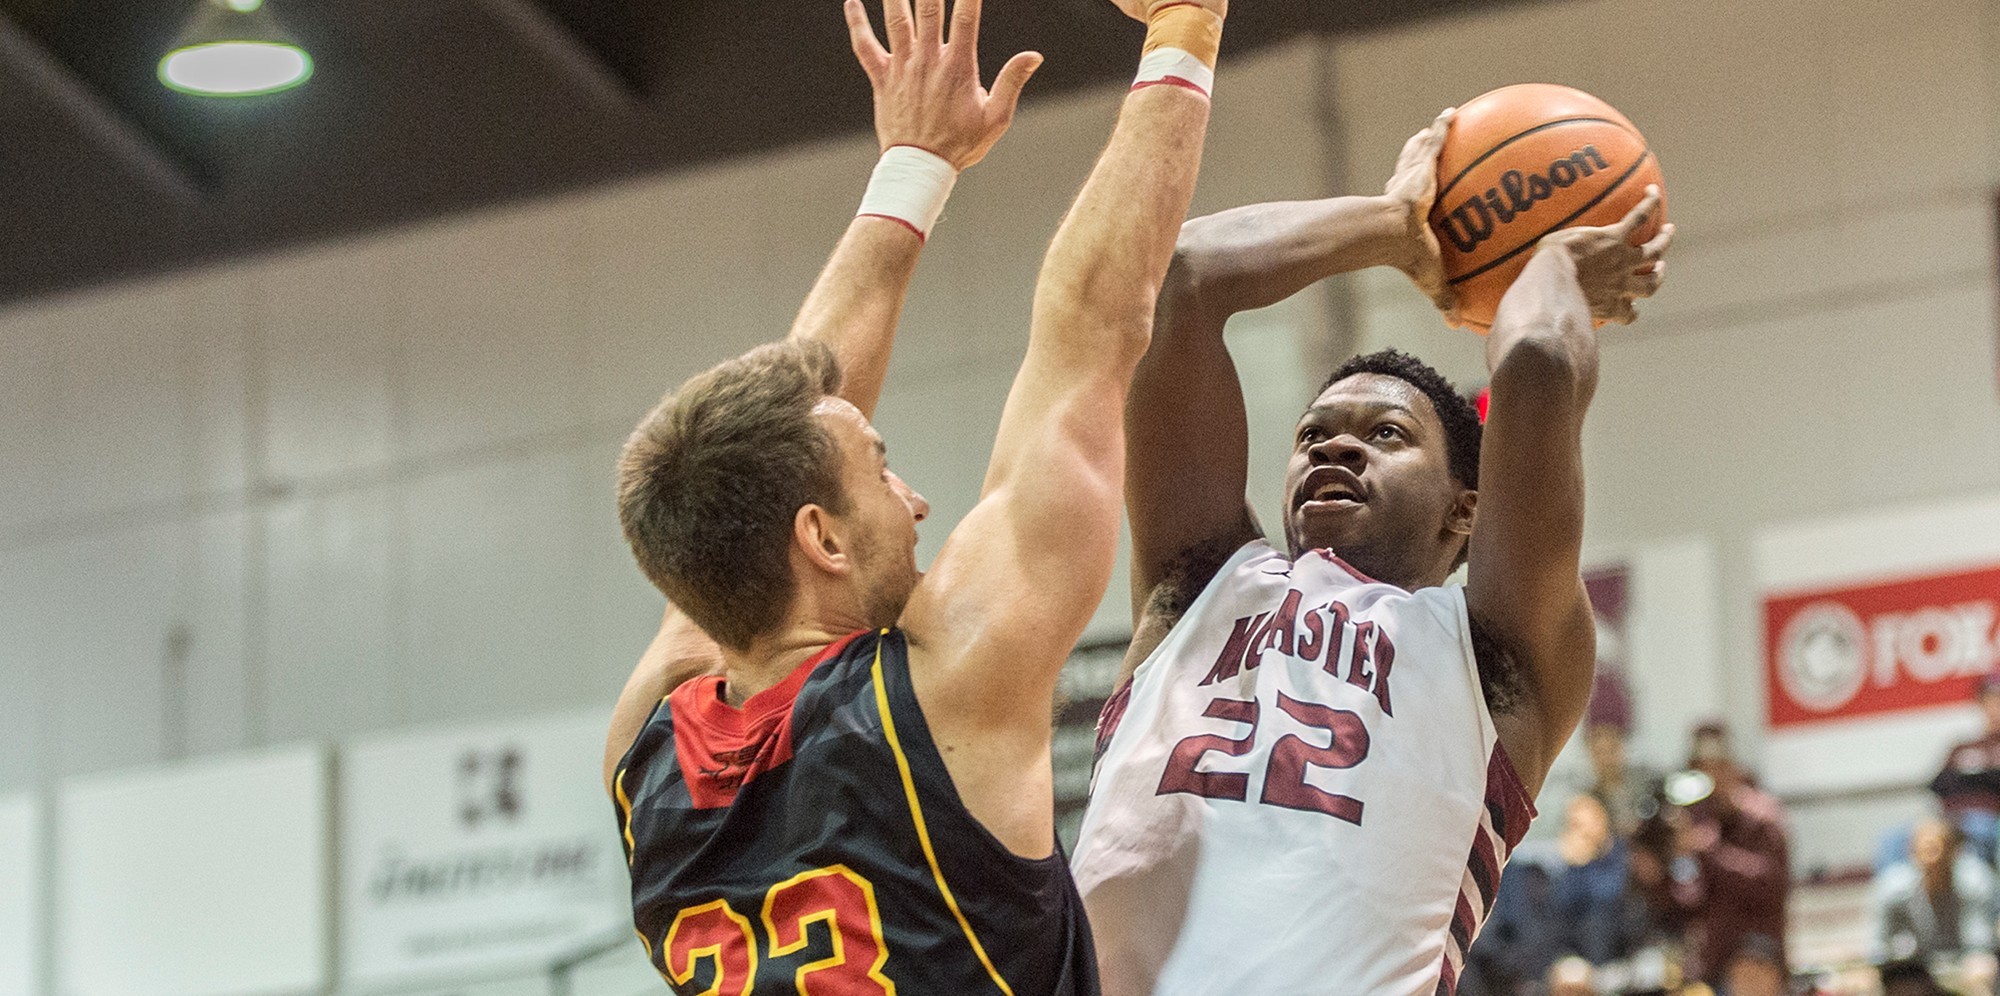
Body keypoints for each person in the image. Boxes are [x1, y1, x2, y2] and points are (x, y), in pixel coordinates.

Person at [602, 0, 1230, 989]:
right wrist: (1185, 27)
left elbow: (778, 435)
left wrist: (915, 166)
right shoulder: (943, 692)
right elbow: (1091, 336)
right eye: (881, 466)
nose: (915, 499)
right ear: (821, 538)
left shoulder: (648, 748)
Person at [1069, 98, 1675, 993]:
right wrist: (1396, 227)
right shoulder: (1203, 583)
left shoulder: (1495, 656)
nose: (1337, 447)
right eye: (1314, 434)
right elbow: (1185, 278)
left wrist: (1543, 261)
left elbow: (1537, 365)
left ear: (1464, 514)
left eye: (1388, 435)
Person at [1643, 722, 1792, 987]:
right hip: (1711, 964)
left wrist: (1708, 850)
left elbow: (1771, 884)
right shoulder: (1698, 821)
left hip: (1756, 961)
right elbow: (1688, 902)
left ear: (1732, 768)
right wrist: (1662, 870)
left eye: (1717, 768)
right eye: (1701, 770)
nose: (1710, 779)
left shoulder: (1762, 815)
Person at [1871, 817, 1999, 968]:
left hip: (1966, 961)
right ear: (1912, 852)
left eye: (1939, 849)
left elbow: (1978, 941)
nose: (1933, 858)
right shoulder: (1893, 888)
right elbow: (1877, 944)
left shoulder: (1975, 882)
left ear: (1954, 850)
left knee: (1982, 967)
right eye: (1927, 849)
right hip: (1916, 964)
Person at [1928, 674, 2000, 864]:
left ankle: (1976, 885)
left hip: (1988, 820)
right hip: (1950, 817)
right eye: (1990, 701)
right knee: (1895, 839)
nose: (1995, 708)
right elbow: (1937, 785)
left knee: (1978, 829)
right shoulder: (1961, 747)